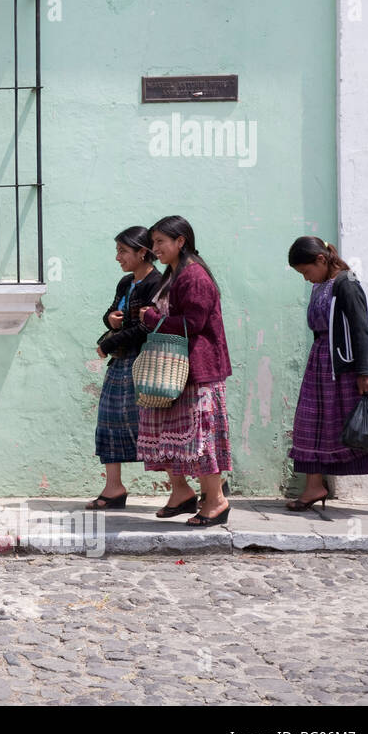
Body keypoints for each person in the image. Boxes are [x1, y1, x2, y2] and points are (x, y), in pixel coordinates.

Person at [286, 236, 368, 512]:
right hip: (320, 366)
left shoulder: (347, 284)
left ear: (321, 259)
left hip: (348, 367)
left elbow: (361, 329)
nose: (306, 278)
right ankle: (314, 485)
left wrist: (364, 372)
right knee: (310, 424)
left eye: (306, 271)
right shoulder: (320, 286)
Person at [137, 215, 233, 527]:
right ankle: (180, 493)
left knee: (200, 439)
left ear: (181, 242)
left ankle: (216, 501)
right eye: (153, 243)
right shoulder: (174, 274)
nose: (155, 248)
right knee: (169, 434)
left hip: (198, 369)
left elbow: (194, 324)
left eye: (160, 242)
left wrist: (153, 319)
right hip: (175, 370)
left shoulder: (194, 277)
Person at [88, 226, 163, 510]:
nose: (118, 257)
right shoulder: (126, 282)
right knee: (108, 421)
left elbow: (147, 327)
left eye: (123, 251)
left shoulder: (156, 283)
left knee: (151, 426)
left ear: (142, 252)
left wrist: (108, 343)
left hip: (145, 362)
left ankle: (191, 485)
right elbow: (111, 314)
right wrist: (111, 320)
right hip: (121, 361)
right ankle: (114, 486)